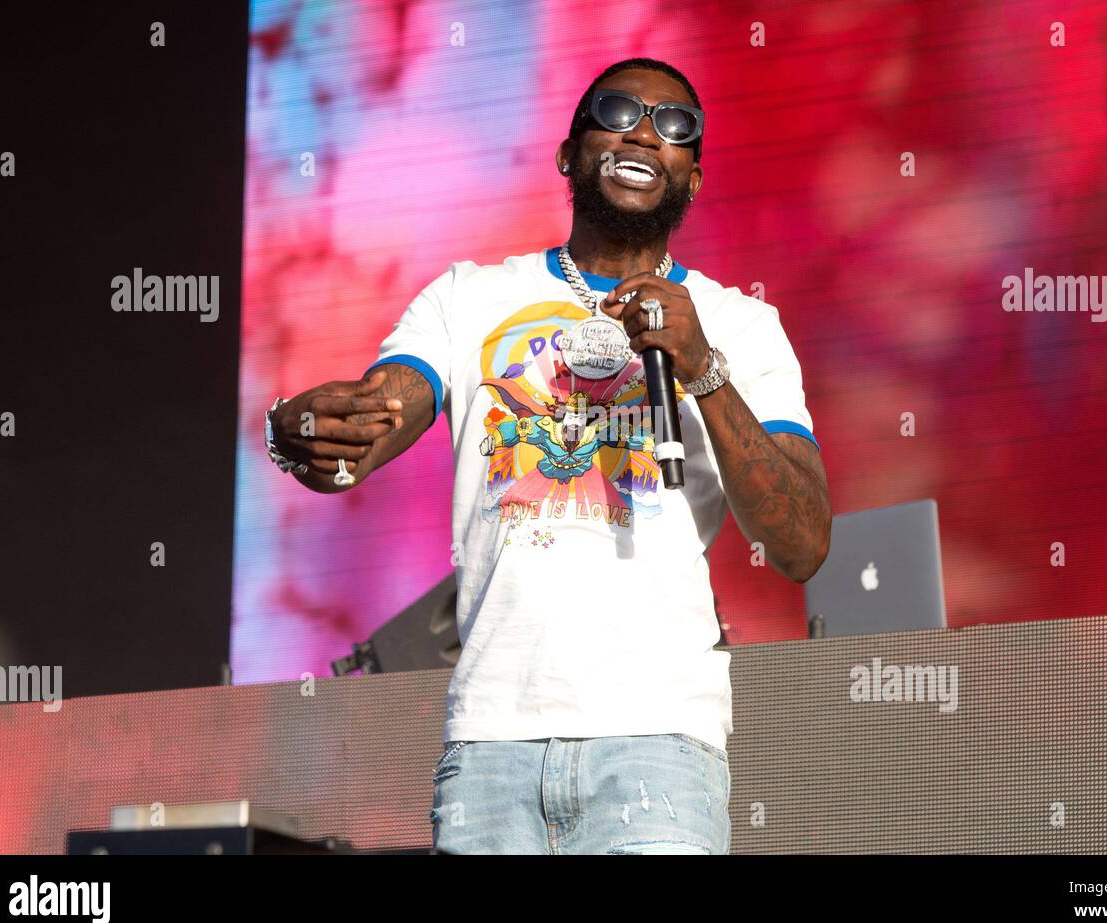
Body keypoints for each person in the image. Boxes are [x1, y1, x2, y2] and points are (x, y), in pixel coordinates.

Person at [264, 57, 831, 854]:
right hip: (491, 746)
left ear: (693, 178)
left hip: (659, 744)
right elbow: (363, 432)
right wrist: (294, 432)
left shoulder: (739, 325)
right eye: (619, 111)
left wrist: (703, 367)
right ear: (569, 154)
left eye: (675, 126)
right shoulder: (468, 297)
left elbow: (802, 541)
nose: (645, 133)